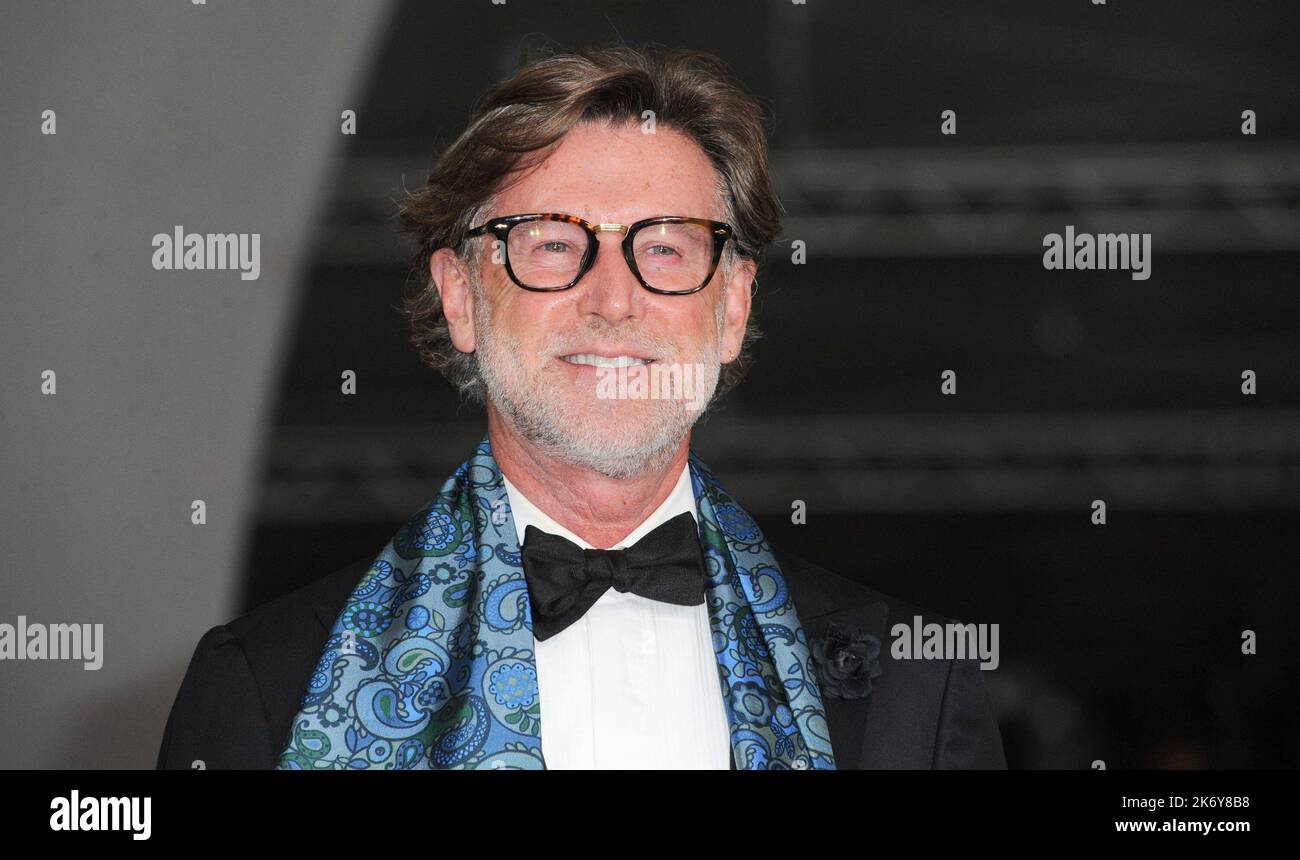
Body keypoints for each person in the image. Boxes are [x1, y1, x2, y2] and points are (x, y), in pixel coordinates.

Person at [157, 44, 1006, 770]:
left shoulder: (915, 688)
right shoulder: (267, 687)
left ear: (733, 305)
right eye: (554, 245)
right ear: (460, 297)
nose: (612, 299)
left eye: (666, 248)